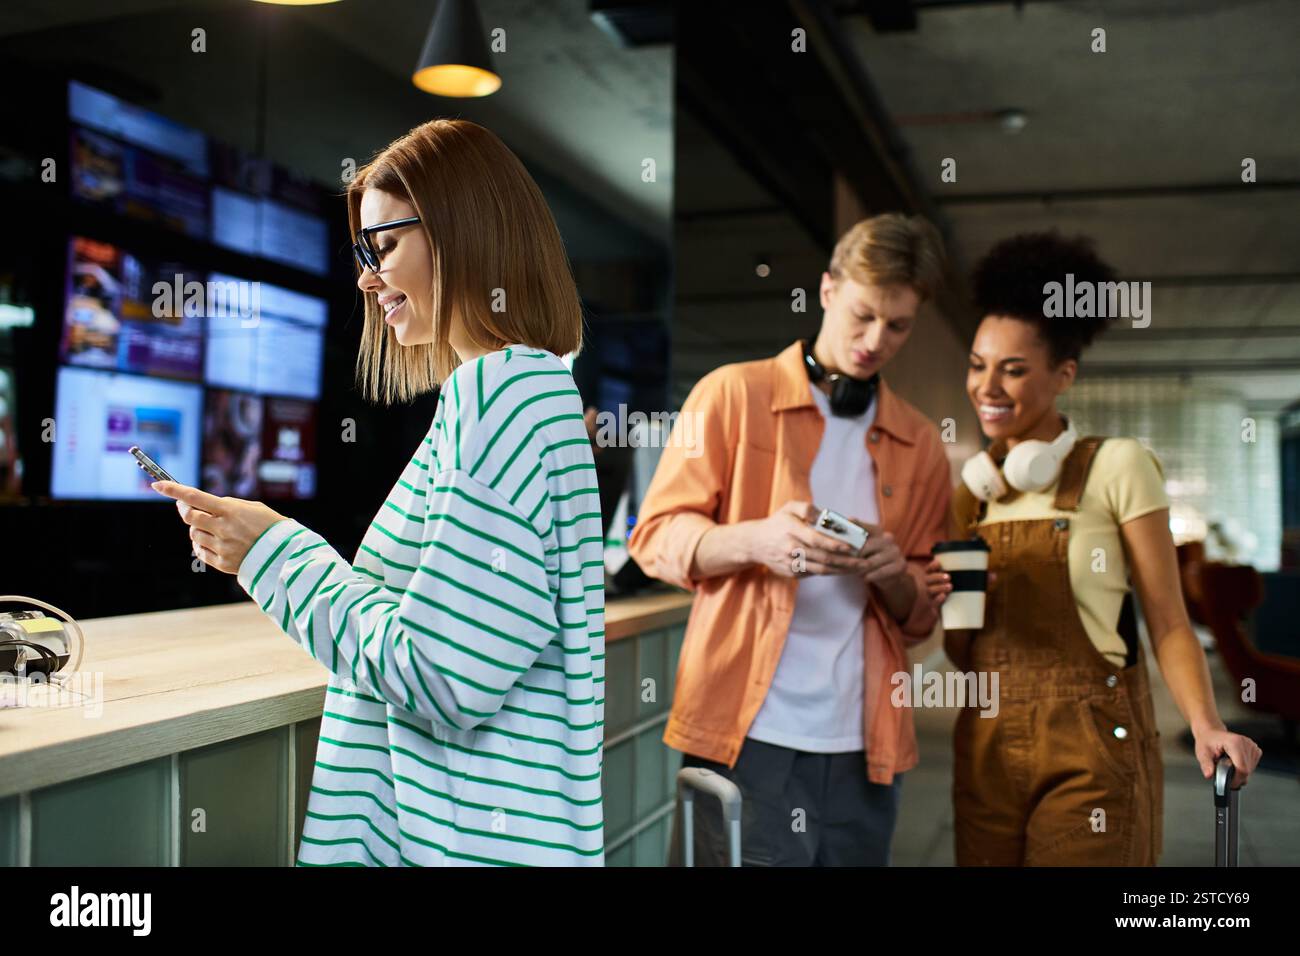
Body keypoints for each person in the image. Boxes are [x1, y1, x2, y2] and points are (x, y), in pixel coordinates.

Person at [151, 119, 605, 866]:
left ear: (461, 229)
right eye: (363, 252)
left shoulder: (501, 394)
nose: (365, 276)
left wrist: (272, 552)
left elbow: (441, 675)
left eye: (383, 246)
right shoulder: (527, 391)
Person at [925, 232, 1262, 866]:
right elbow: (960, 651)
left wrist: (1207, 724)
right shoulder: (973, 496)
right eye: (977, 364)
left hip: (1089, 745)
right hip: (986, 744)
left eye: (1014, 369)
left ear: (1064, 374)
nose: (987, 387)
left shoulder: (1118, 466)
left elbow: (1167, 620)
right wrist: (948, 601)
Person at [629, 213, 952, 865]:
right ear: (828, 290)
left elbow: (920, 617)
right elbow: (656, 538)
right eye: (862, 315)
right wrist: (757, 540)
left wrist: (893, 574)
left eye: (898, 325)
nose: (875, 340)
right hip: (744, 736)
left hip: (868, 749)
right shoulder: (731, 395)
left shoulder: (920, 442)